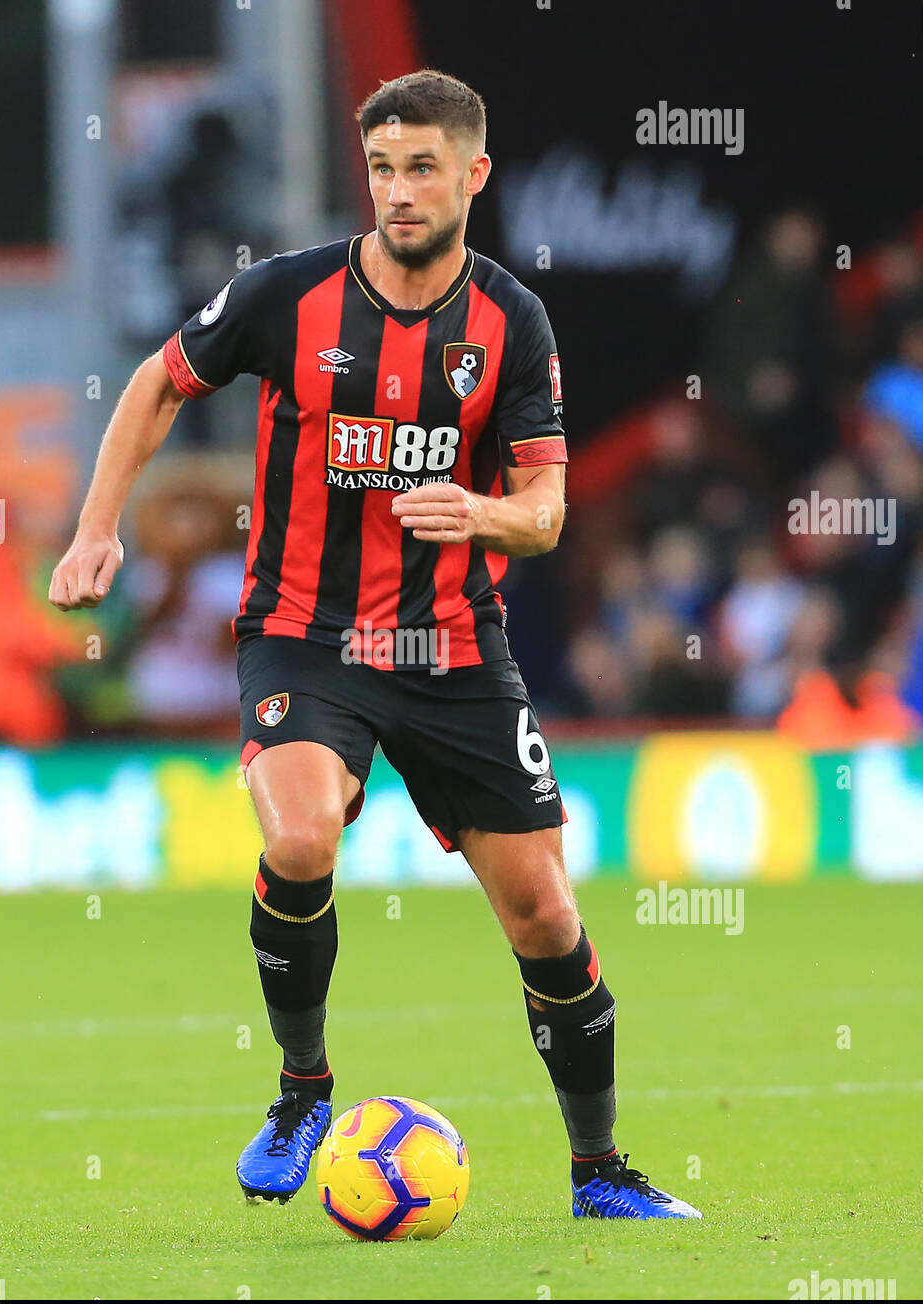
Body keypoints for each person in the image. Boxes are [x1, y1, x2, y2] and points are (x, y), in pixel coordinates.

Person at [49, 70, 700, 1222]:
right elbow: (158, 382)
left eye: (422, 169)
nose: (398, 192)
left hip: (453, 645)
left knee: (545, 914)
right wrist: (97, 527)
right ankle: (303, 1091)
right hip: (305, 636)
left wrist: (481, 513)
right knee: (298, 834)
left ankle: (598, 1170)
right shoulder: (285, 295)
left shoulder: (511, 321)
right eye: (383, 169)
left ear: (472, 176)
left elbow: (544, 510)